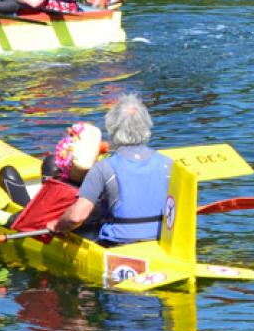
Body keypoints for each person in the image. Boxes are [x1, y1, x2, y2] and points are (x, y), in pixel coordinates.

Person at [50, 95, 171, 245]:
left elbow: (76, 217)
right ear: (147, 127)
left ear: (112, 129)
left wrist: (57, 225)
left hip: (117, 246)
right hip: (162, 243)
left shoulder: (104, 168)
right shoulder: (168, 164)